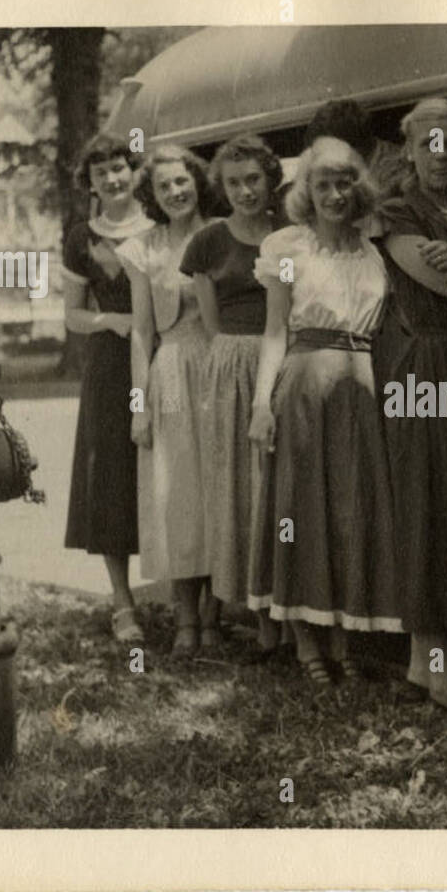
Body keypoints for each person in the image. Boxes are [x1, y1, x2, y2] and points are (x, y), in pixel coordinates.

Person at [247, 136, 405, 684]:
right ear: (305, 191)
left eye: (344, 183)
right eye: (322, 184)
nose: (334, 194)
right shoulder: (289, 249)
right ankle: (306, 642)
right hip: (304, 384)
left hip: (361, 386)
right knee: (301, 510)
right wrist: (262, 406)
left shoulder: (372, 251)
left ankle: (346, 638)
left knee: (350, 508)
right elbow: (273, 332)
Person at [375, 99, 447, 710]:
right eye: (429, 144)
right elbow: (443, 283)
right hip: (422, 365)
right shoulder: (396, 212)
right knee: (428, 504)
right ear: (411, 151)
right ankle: (436, 664)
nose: (441, 155)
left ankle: (428, 665)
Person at [180, 136, 283, 653]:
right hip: (229, 362)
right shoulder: (207, 243)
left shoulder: (289, 236)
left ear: (270, 181)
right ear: (222, 187)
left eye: (254, 180)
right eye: (234, 182)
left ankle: (277, 615)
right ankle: (231, 610)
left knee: (274, 486)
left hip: (282, 359)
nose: (245, 191)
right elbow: (212, 324)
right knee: (234, 486)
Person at [116, 144, 216, 658]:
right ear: (152, 196)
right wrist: (139, 403)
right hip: (171, 370)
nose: (176, 192)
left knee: (218, 485)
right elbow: (139, 332)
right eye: (164, 186)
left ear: (197, 180)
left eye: (183, 181)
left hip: (220, 368)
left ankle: (219, 615)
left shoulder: (223, 233)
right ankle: (186, 620)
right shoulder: (144, 249)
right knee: (177, 493)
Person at [61, 133, 156, 644]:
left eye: (120, 168)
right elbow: (72, 316)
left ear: (134, 169)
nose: (113, 179)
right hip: (110, 364)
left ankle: (194, 602)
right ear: (90, 182)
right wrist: (109, 320)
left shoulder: (159, 223)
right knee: (112, 474)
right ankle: (123, 602)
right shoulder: (81, 237)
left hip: (162, 355)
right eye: (101, 174)